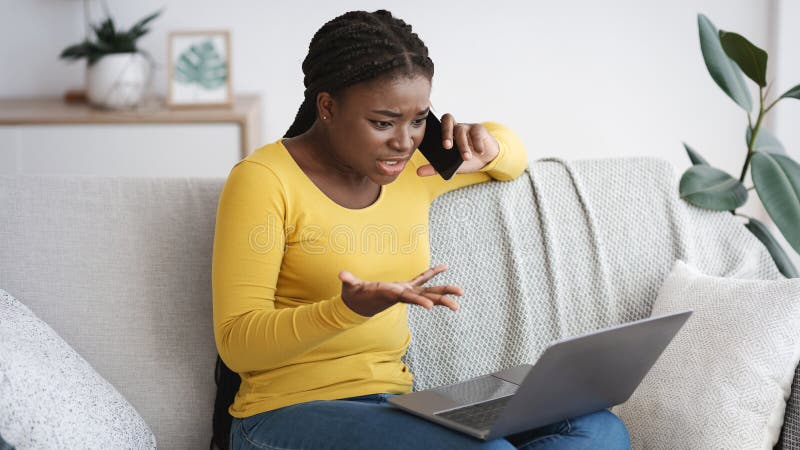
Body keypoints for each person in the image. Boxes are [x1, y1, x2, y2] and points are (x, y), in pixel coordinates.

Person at [211, 9, 631, 450]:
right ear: (328, 106)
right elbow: (238, 344)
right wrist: (347, 310)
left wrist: (487, 147)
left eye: (417, 120)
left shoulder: (415, 168)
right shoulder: (263, 179)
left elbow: (514, 156)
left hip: (396, 404)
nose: (404, 141)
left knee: (599, 429)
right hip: (283, 415)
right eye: (382, 122)